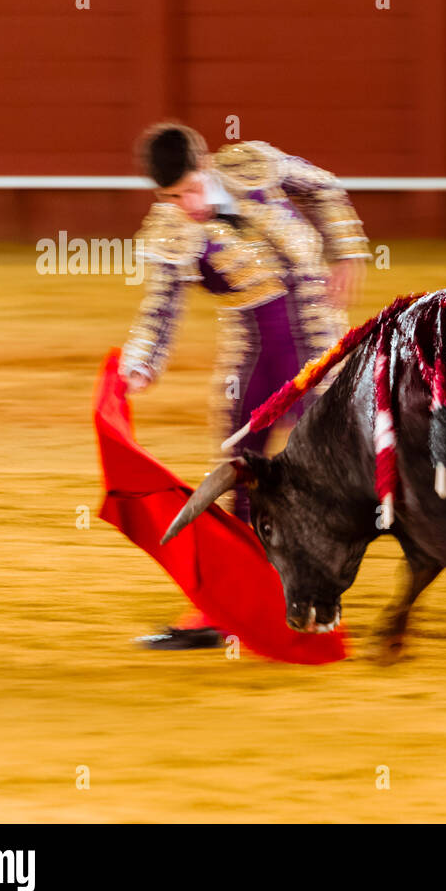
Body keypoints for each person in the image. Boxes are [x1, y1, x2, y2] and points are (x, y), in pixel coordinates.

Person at [120, 123, 370, 649]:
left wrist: (348, 251)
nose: (186, 205)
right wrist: (140, 365)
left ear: (206, 163)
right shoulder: (169, 229)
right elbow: (161, 307)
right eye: (172, 196)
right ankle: (234, 605)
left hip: (317, 342)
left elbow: (323, 185)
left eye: (190, 189)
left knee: (344, 465)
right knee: (240, 469)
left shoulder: (254, 162)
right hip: (253, 356)